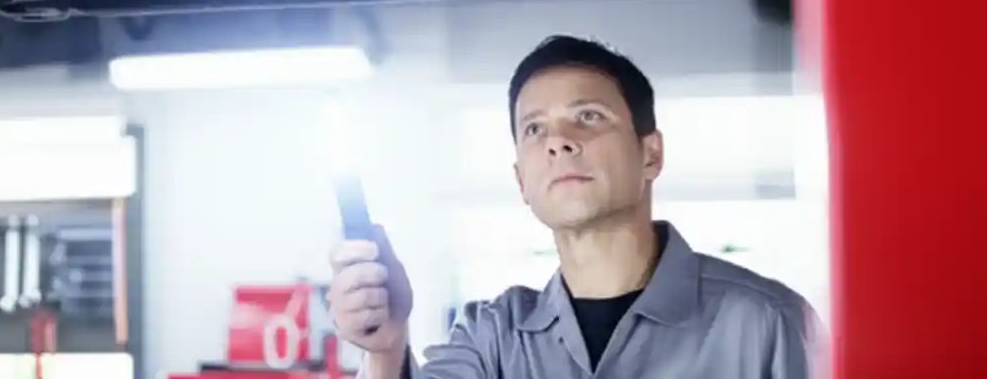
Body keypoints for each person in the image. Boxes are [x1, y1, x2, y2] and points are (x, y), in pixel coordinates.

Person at [327, 35, 819, 378]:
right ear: (522, 180)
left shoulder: (766, 323)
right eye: (534, 129)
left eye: (588, 116)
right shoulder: (493, 338)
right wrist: (385, 349)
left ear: (651, 153)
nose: (558, 141)